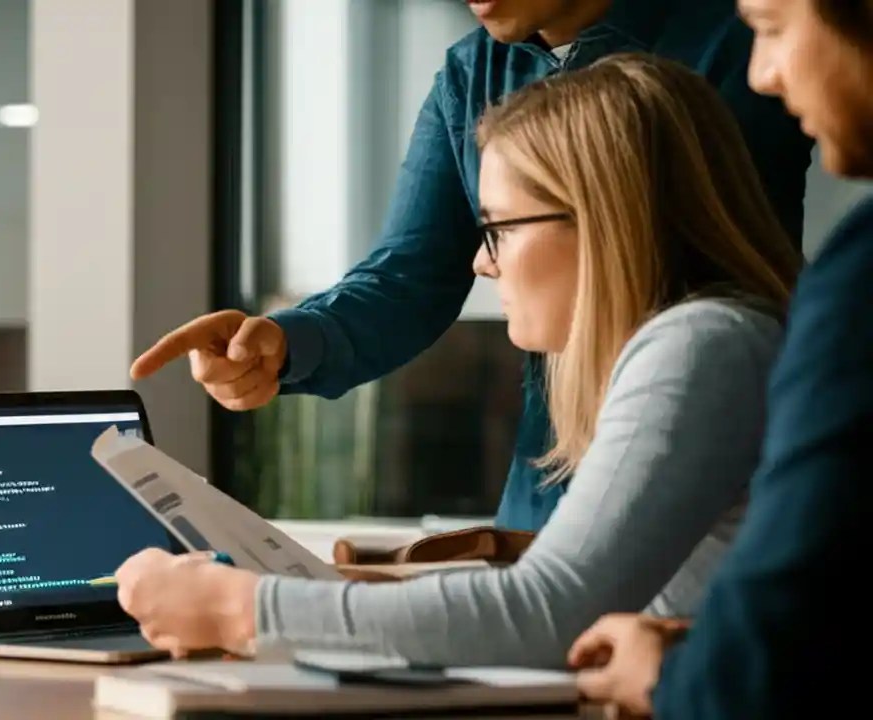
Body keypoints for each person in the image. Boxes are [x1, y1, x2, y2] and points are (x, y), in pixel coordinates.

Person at [113, 53, 803, 667]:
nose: (481, 261)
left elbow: (544, 614)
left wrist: (242, 609)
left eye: (498, 229)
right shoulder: (712, 343)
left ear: (600, 219)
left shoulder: (700, 346)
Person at [129, 0, 814, 532]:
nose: (489, 262)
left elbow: (708, 262)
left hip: (705, 463)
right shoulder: (471, 72)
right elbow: (408, 279)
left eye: (505, 231)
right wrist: (283, 344)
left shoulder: (747, 47)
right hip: (547, 482)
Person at [570, 1, 873, 716]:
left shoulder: (849, 286)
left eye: (771, 27)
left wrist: (671, 678)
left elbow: (767, 659)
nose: (763, 76)